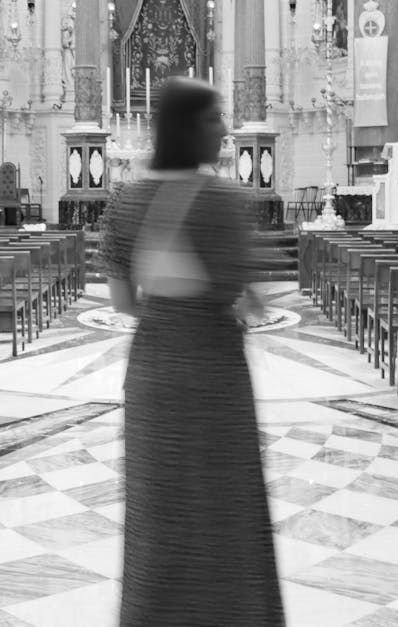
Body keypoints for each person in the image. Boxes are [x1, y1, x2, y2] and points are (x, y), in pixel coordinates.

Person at [98, 77, 283, 626]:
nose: (224, 129)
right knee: (226, 506)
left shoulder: (126, 201)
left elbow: (124, 302)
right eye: (213, 118)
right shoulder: (224, 202)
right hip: (213, 373)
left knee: (159, 510)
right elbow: (248, 297)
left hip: (152, 371)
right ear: (187, 127)